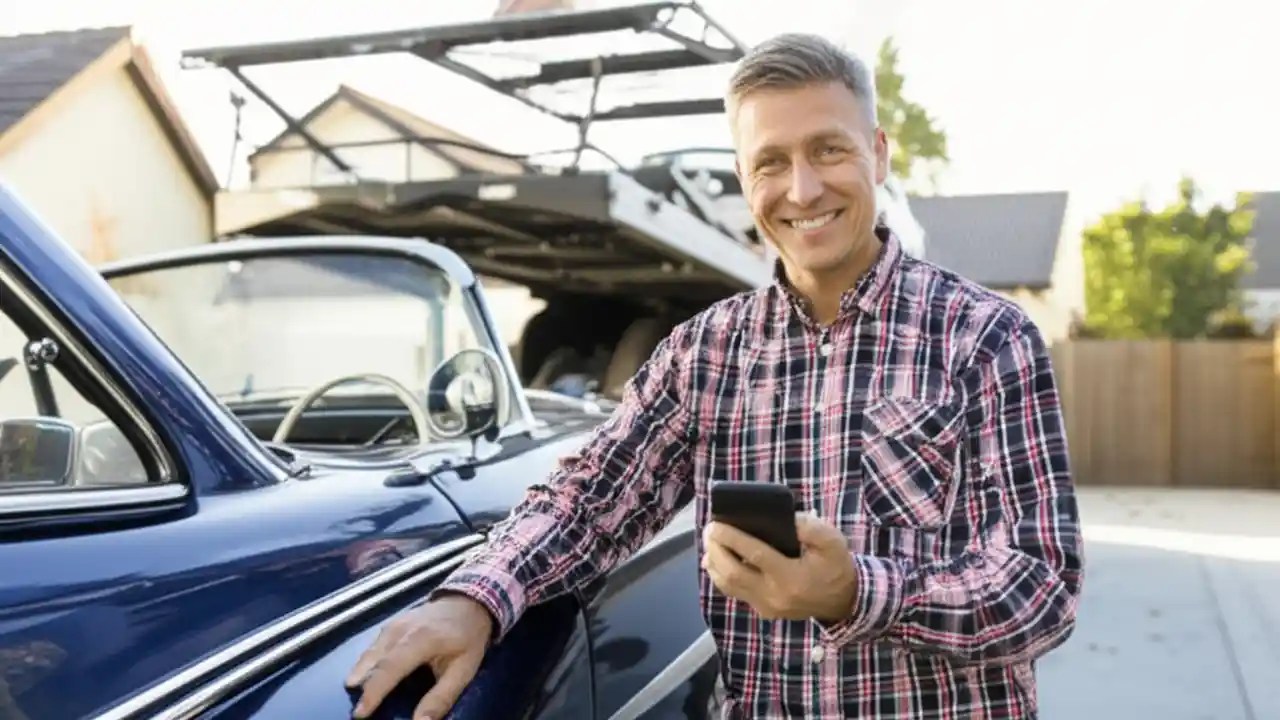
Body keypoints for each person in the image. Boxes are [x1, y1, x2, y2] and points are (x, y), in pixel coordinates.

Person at [346, 32, 1084, 720]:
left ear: (880, 154)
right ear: (743, 176)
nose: (801, 190)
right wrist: (474, 599)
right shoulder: (705, 353)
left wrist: (856, 592)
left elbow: (1043, 586)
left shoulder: (986, 338)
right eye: (771, 161)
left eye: (828, 149)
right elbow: (588, 499)